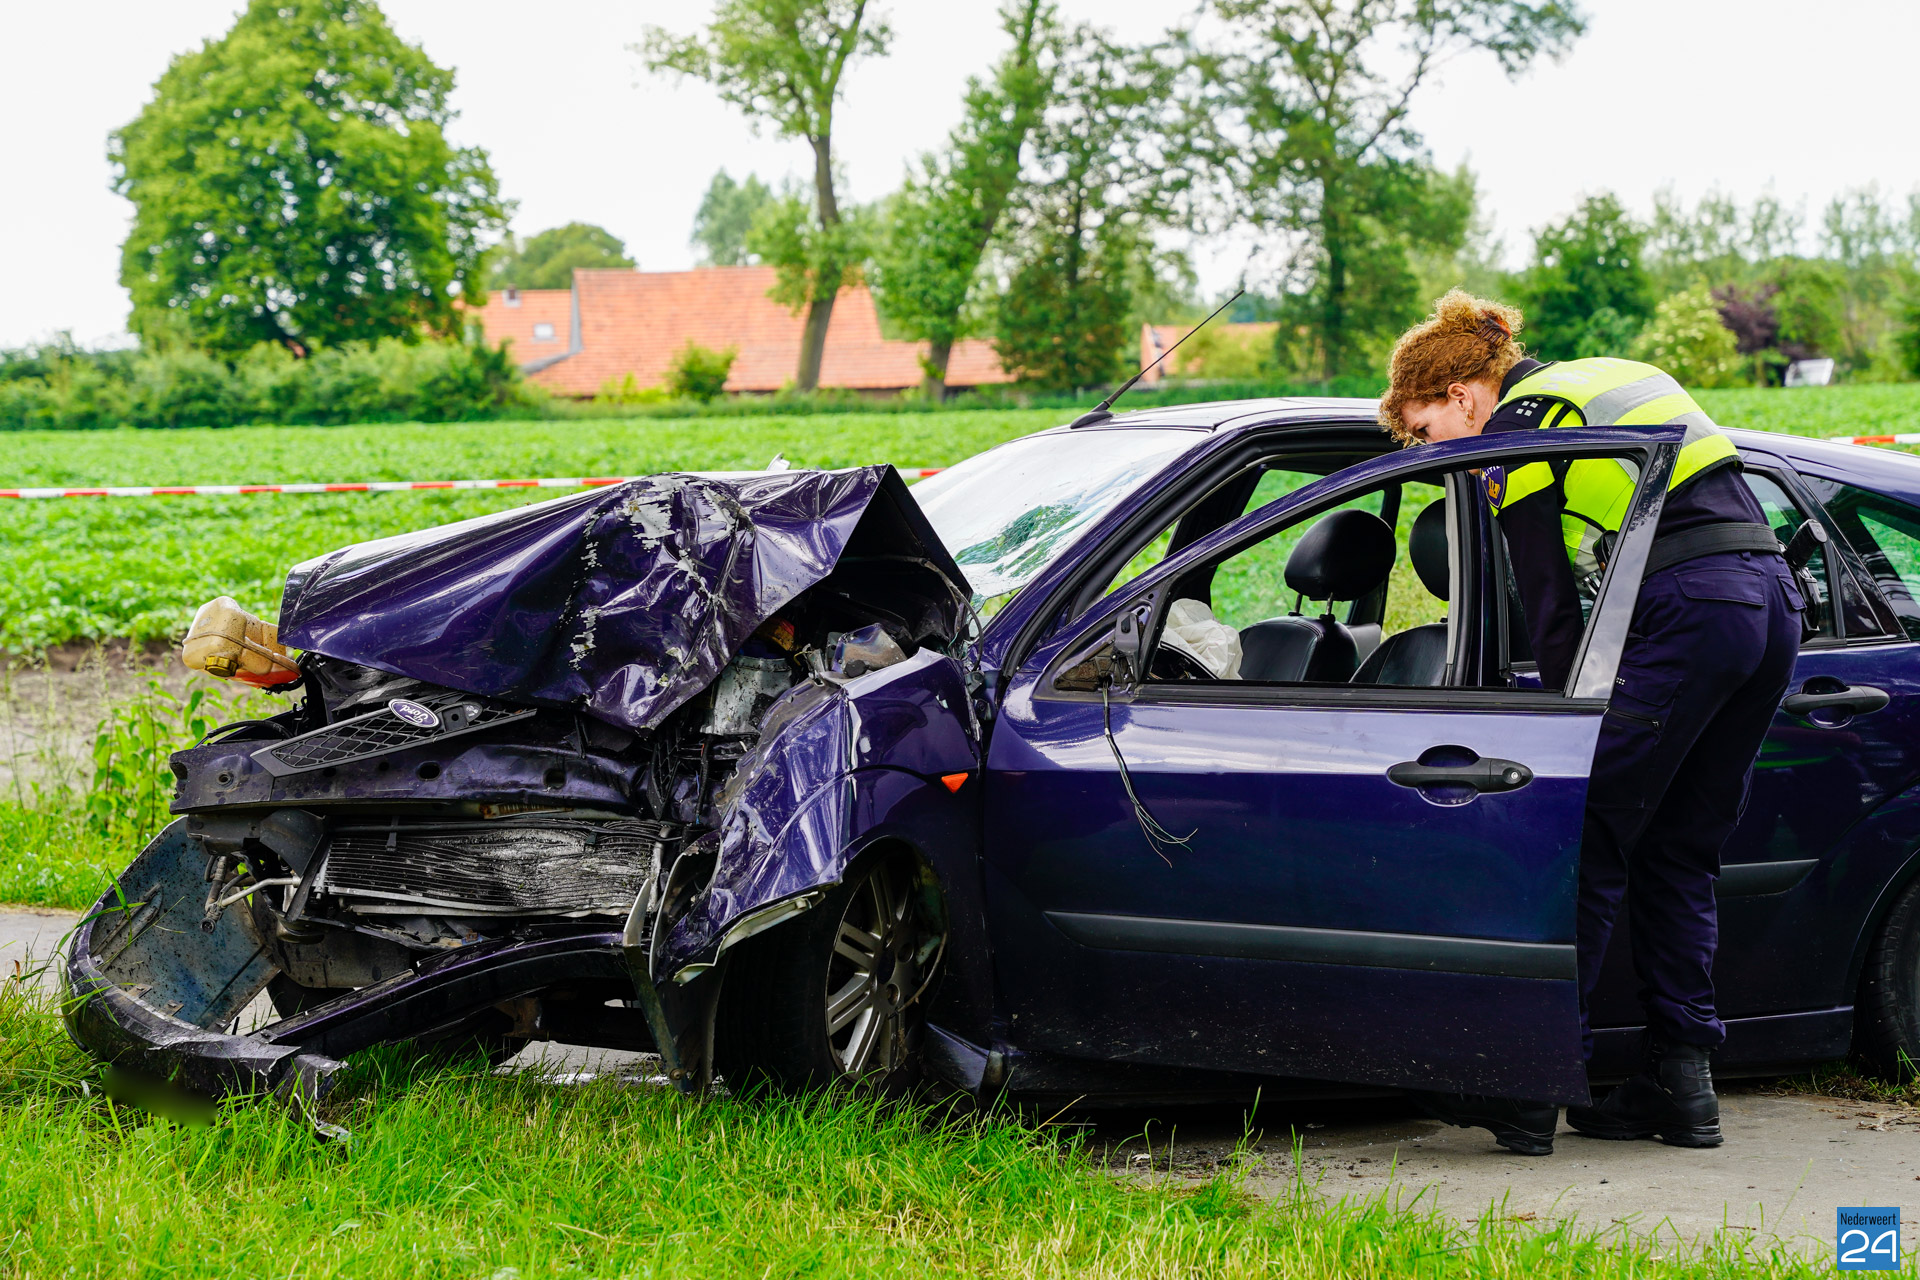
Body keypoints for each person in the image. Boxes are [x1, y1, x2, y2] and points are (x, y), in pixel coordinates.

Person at [1376, 291, 1805, 1156]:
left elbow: (1543, 587)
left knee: (1588, 837)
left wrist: (1567, 726)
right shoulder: (1617, 375)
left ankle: (1532, 1086)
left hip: (1687, 612)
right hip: (1768, 610)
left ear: (1464, 392)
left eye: (1425, 432)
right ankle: (1681, 1085)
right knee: (1679, 849)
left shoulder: (1522, 421)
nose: (1434, 454)